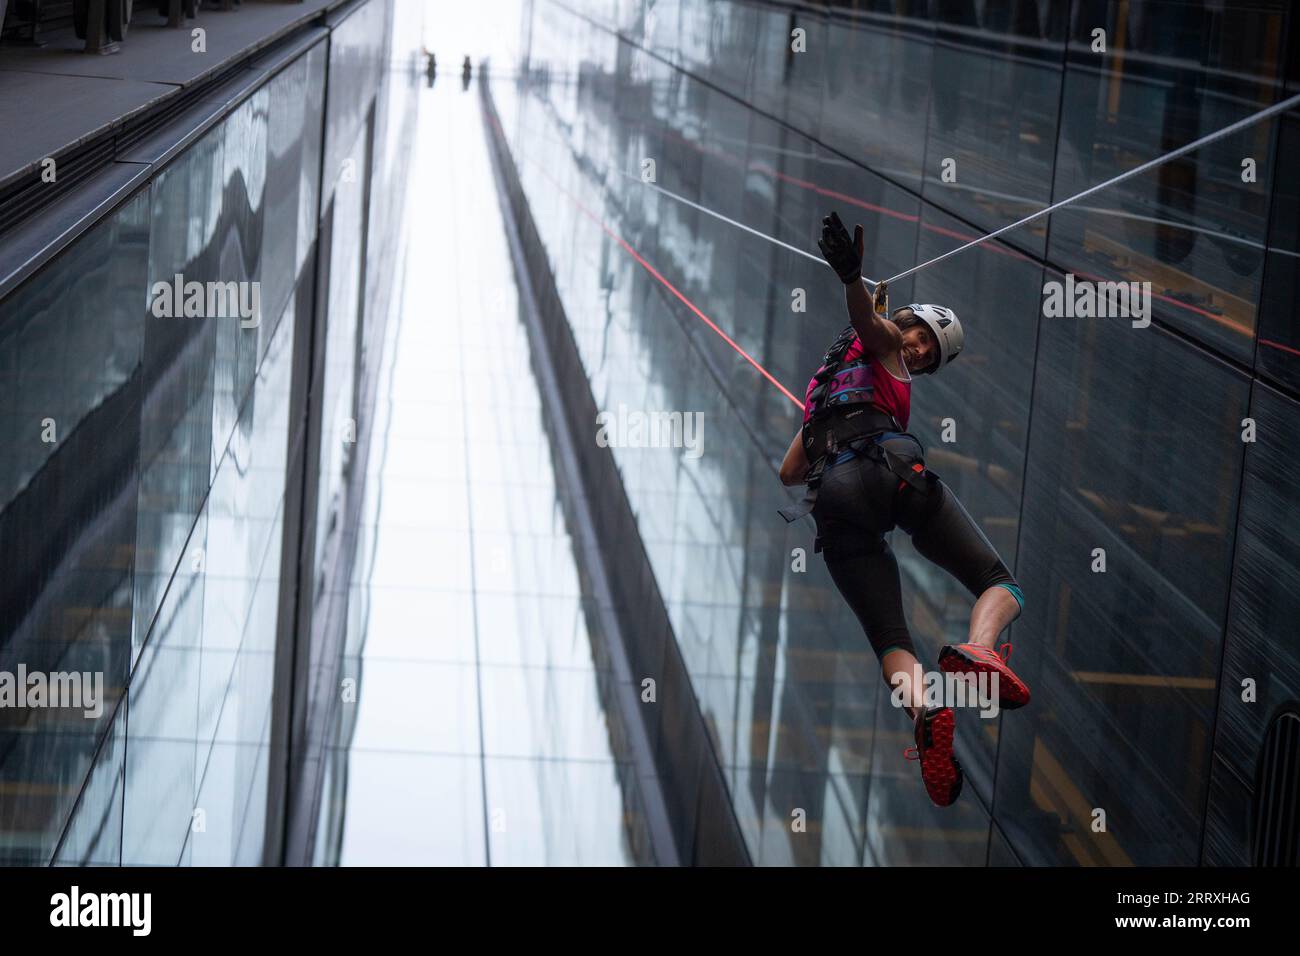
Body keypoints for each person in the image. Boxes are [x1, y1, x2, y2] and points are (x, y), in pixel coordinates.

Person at [778, 211, 1031, 807]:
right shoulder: (887, 342)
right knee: (1000, 583)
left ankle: (925, 710)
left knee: (891, 638)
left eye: (927, 353)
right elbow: (869, 321)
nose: (917, 351)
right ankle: (981, 649)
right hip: (889, 472)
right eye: (918, 336)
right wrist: (851, 280)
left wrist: (820, 421)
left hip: (833, 503)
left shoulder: (830, 385)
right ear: (905, 323)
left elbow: (790, 473)